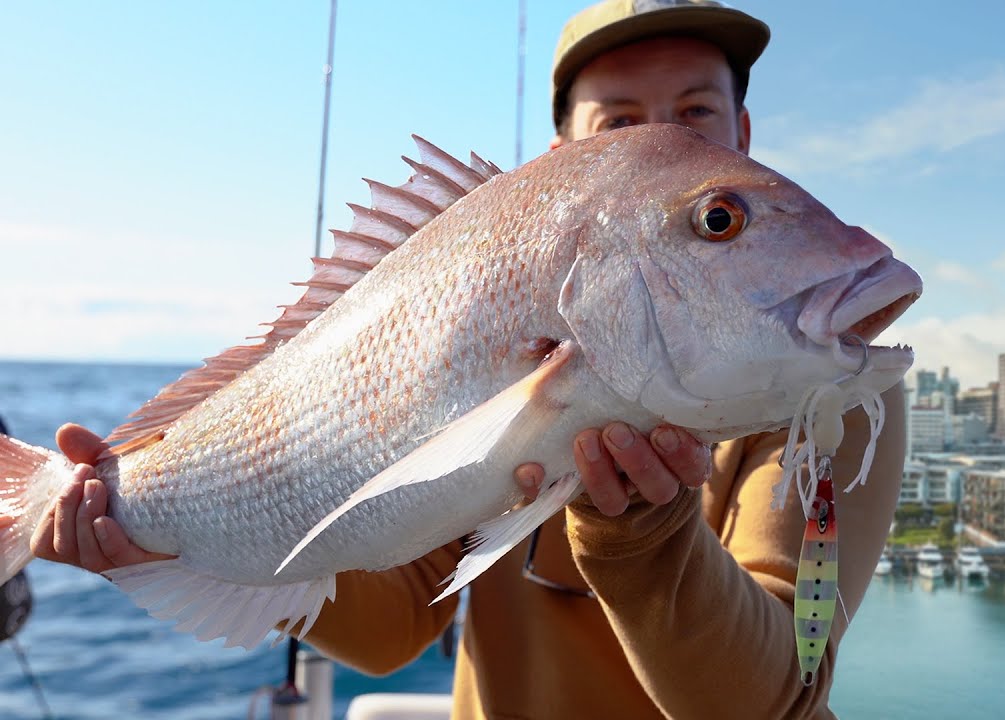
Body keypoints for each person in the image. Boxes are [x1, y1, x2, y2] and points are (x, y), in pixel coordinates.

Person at [33, 2, 907, 717]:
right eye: (619, 123)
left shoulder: (832, 383)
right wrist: (139, 542)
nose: (659, 137)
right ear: (567, 159)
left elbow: (776, 700)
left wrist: (638, 538)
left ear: (742, 133)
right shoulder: (494, 308)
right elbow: (390, 631)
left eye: (695, 116)